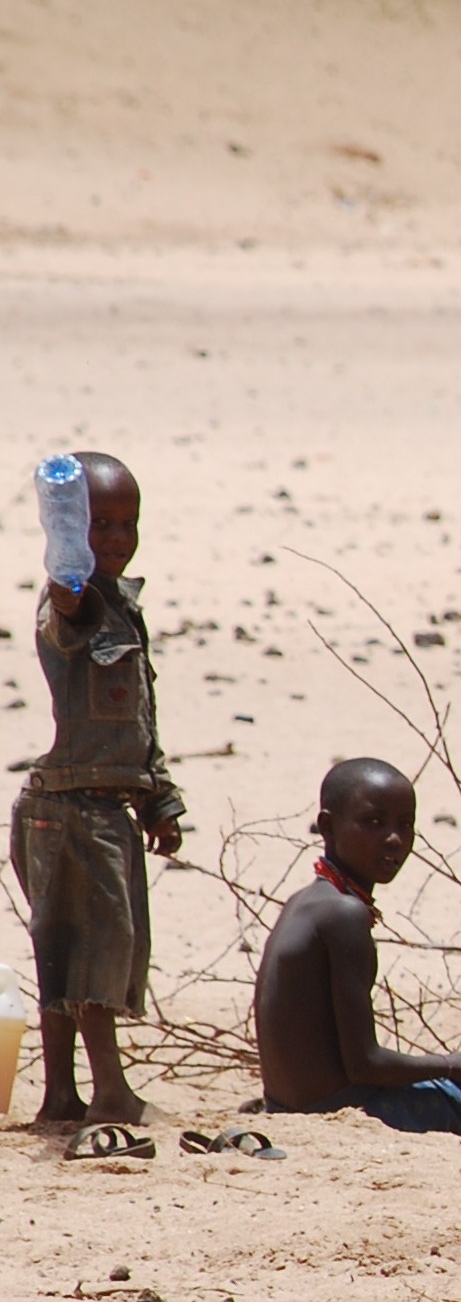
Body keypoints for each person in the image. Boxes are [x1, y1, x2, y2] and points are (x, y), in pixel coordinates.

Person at [253, 757, 461, 1143]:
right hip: (333, 1110)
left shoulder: (308, 901)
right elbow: (364, 1065)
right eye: (373, 822)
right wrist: (457, 1065)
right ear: (328, 826)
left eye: (405, 825)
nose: (393, 839)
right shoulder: (344, 915)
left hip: (287, 1106)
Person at [13, 452, 183, 1126]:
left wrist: (160, 799)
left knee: (68, 950)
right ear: (65, 528)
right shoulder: (74, 603)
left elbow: (139, 724)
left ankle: (61, 1095)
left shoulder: (123, 610)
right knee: (94, 953)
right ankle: (107, 1088)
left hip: (101, 803)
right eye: (97, 523)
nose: (114, 538)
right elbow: (67, 606)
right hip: (69, 810)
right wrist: (66, 557)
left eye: (126, 523)